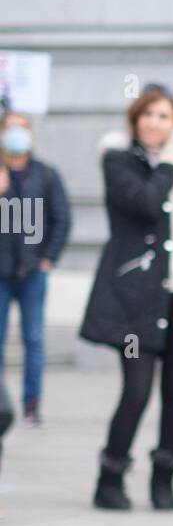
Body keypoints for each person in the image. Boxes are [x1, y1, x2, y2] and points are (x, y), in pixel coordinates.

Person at [79, 89, 173, 509]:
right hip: (138, 295)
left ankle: (164, 476)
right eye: (146, 114)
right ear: (134, 120)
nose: (153, 121)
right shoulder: (117, 160)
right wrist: (171, 157)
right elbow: (147, 203)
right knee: (137, 391)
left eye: (163, 116)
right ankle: (109, 476)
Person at [0, 110, 71, 427]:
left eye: (22, 128)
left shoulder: (44, 174)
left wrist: (48, 258)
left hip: (32, 272)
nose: (16, 134)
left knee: (33, 338)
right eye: (10, 128)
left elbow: (61, 218)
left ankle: (32, 405)